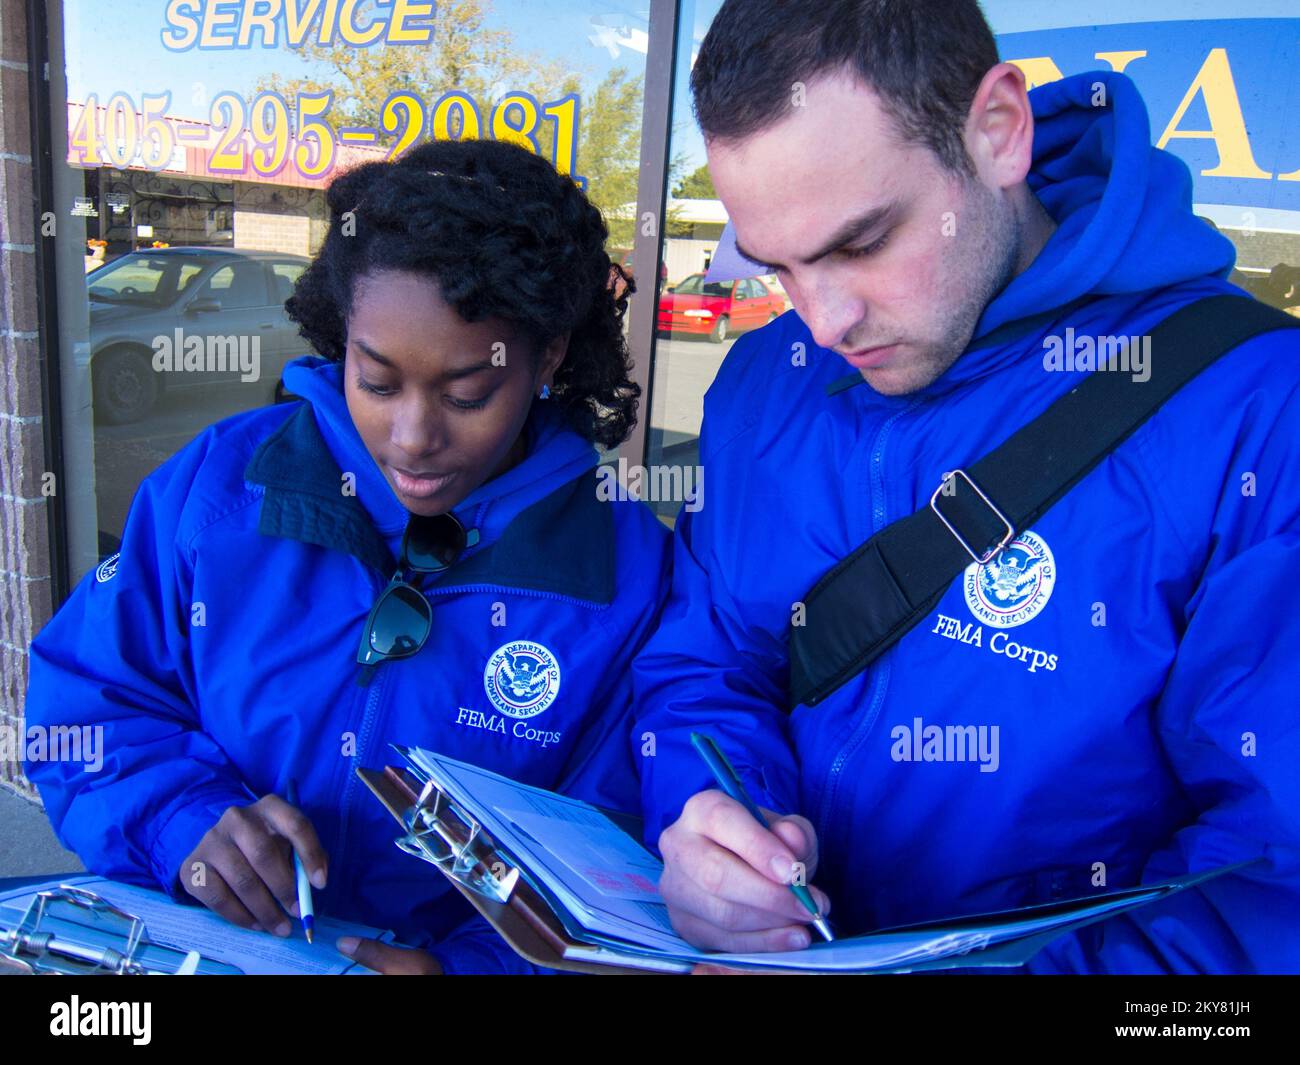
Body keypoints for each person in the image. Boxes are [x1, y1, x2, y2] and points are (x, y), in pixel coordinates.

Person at [632, 0, 1300, 973]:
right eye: (778, 266)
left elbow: (1270, 881)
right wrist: (709, 816)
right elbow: (706, 660)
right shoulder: (762, 380)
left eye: (859, 243)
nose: (821, 321)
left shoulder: (1258, 410)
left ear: (997, 132)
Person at [25, 137, 670, 975]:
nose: (414, 438)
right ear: (342, 344)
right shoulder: (220, 488)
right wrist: (180, 821)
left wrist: (473, 968)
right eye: (376, 380)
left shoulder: (624, 566)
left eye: (468, 393)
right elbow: (85, 706)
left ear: (545, 358)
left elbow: (618, 849)